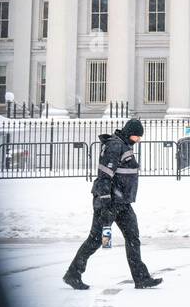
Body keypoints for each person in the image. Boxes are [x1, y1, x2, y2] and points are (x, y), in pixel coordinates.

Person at [63, 118, 163, 290]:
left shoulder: (125, 145)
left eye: (139, 137)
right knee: (96, 240)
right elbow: (104, 176)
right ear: (128, 132)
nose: (137, 140)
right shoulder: (115, 146)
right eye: (136, 136)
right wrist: (105, 203)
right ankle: (73, 274)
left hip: (122, 202)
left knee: (133, 237)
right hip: (109, 202)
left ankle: (141, 278)